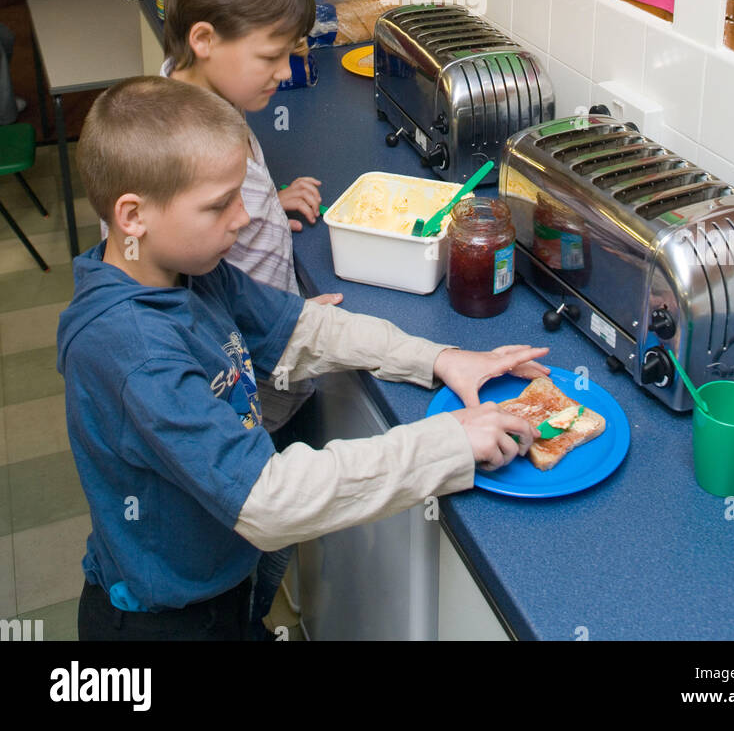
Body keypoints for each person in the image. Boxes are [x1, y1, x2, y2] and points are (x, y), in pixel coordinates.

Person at [58, 76, 547, 641]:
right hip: (163, 624)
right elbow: (268, 499)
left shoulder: (182, 272)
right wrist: (448, 442)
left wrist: (439, 357)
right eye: (219, 205)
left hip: (224, 586)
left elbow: (301, 329)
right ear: (133, 216)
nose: (242, 218)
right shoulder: (133, 352)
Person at [161, 0, 339, 636]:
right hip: (251, 399)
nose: (285, 70)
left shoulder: (213, 108)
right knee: (253, 559)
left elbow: (234, 197)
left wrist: (272, 198)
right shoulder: (185, 141)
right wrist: (285, 320)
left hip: (272, 374)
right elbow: (189, 297)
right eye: (271, 55)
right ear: (205, 39)